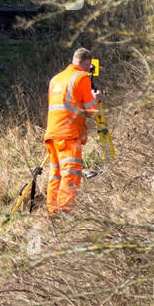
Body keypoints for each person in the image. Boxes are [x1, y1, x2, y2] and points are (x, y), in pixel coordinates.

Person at [44, 46, 101, 216]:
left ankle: (53, 211)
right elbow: (91, 110)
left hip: (52, 133)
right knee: (71, 172)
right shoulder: (81, 77)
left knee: (56, 174)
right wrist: (96, 98)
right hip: (68, 134)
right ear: (87, 63)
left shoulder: (56, 78)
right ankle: (65, 211)